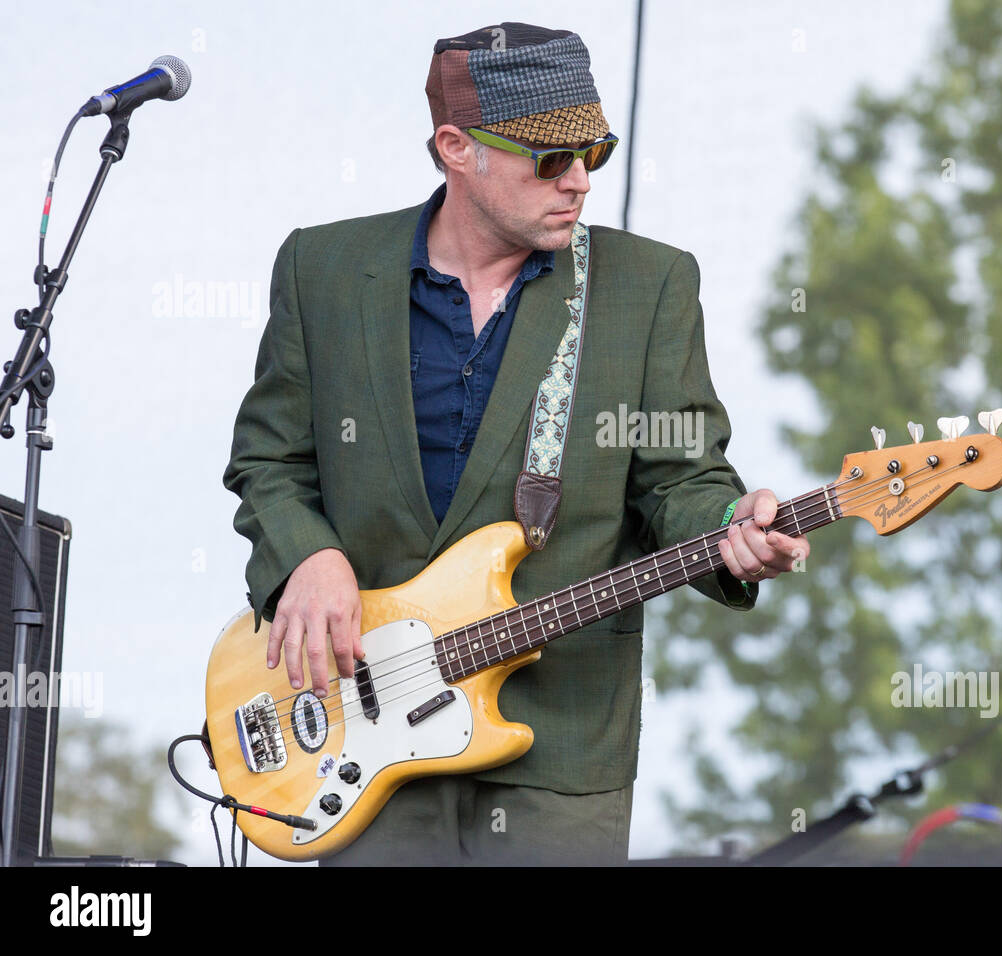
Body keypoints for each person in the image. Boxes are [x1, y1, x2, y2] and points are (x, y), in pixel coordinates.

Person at [223, 20, 811, 865]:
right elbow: (268, 460)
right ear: (457, 147)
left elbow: (678, 480)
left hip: (559, 745)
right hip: (354, 722)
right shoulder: (321, 268)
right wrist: (306, 556)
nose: (578, 181)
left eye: (593, 153)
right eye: (549, 157)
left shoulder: (649, 284)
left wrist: (731, 526)